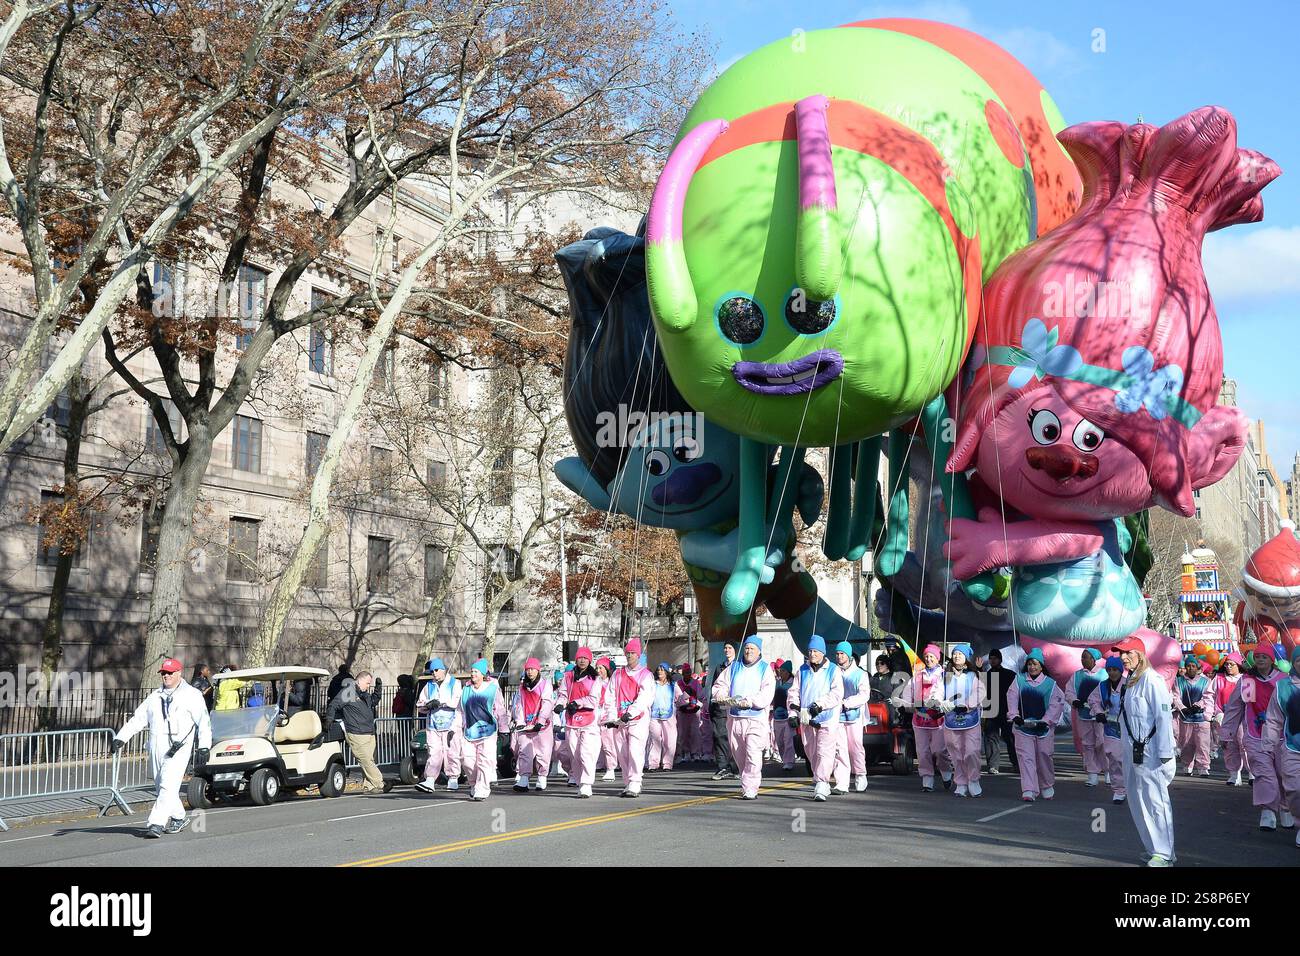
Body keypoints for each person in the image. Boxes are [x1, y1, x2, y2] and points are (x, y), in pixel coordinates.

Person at [112, 658, 211, 838]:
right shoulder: (155, 697)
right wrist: (121, 737)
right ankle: (179, 817)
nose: (166, 676)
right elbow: (138, 718)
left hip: (179, 746)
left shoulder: (191, 695)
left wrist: (204, 746)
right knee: (163, 787)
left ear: (179, 673)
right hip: (157, 745)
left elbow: (203, 722)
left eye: (170, 673)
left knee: (167, 785)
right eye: (164, 673)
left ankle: (155, 823)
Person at [1110, 635, 1178, 867]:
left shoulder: (1152, 680)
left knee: (1155, 801)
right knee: (1138, 800)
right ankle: (1154, 849)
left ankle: (1165, 853)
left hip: (1152, 753)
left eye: (1128, 653)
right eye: (1121, 654)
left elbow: (1163, 717)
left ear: (1140, 654)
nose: (1124, 658)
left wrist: (1166, 753)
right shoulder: (1130, 682)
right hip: (1132, 752)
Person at [1222, 646, 1290, 830]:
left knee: (1283, 775)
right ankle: (1267, 811)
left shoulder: (1283, 680)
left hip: (1283, 737)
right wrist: (1227, 734)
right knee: (1263, 773)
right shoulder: (1247, 680)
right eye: (1257, 657)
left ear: (1272, 660)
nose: (1260, 660)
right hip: (1255, 735)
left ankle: (1285, 808)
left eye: (1264, 657)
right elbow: (1235, 708)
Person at [710, 635, 775, 799]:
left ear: (759, 651)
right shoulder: (734, 667)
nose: (748, 651)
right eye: (746, 648)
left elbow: (767, 693)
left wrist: (750, 701)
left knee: (753, 753)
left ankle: (751, 788)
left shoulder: (765, 669)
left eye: (752, 648)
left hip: (755, 718)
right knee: (739, 755)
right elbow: (719, 685)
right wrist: (722, 695)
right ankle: (746, 782)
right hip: (735, 718)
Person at [788, 635, 844, 801]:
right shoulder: (802, 671)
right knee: (811, 752)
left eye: (815, 651)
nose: (812, 654)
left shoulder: (833, 670)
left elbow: (836, 693)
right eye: (810, 651)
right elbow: (793, 693)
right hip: (807, 720)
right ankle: (823, 777)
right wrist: (793, 714)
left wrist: (820, 705)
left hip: (826, 719)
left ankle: (821, 783)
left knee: (823, 751)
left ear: (822, 653)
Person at [1006, 648, 1065, 802]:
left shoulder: (1051, 684)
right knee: (1026, 758)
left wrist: (1046, 720)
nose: (1032, 667)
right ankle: (1029, 789)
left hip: (1043, 728)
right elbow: (1011, 698)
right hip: (1023, 728)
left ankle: (1046, 785)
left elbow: (1056, 704)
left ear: (1041, 666)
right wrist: (1014, 716)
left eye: (1035, 664)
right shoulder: (1019, 680)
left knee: (1044, 756)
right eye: (1030, 664)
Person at [895, 644, 953, 792]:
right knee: (922, 751)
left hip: (938, 719)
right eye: (926, 656)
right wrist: (909, 704)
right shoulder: (917, 675)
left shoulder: (944, 675)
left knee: (939, 750)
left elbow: (947, 694)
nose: (928, 659)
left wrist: (939, 703)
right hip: (919, 719)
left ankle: (946, 772)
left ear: (937, 658)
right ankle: (927, 779)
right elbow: (908, 692)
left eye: (931, 656)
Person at [326, 670, 389, 794]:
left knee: (369, 760)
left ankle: (369, 786)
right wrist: (329, 719)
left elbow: (373, 702)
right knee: (365, 759)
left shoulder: (363, 694)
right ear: (359, 680)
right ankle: (380, 783)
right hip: (356, 732)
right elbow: (334, 705)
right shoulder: (348, 692)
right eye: (367, 683)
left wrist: (378, 689)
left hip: (369, 732)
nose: (368, 686)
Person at [1263, 646, 1300, 849]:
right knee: (1294, 789)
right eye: (1298, 660)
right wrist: (1268, 744)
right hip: (1292, 748)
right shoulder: (1283, 686)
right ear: (1293, 663)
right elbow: (1274, 719)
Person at [608, 639, 655, 797]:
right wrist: (612, 717)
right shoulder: (617, 674)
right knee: (623, 753)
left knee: (635, 750)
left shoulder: (645, 675)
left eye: (633, 653)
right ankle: (627, 783)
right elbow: (610, 696)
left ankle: (636, 782)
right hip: (620, 720)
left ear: (638, 655)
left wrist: (631, 712)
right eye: (627, 653)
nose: (629, 655)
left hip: (638, 719)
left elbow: (645, 697)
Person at [556, 648, 604, 797]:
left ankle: (586, 784)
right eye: (580, 658)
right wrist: (560, 703)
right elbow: (563, 694)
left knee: (586, 753)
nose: (582, 660)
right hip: (572, 721)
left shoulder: (595, 678)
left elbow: (593, 699)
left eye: (585, 658)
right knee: (574, 754)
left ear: (590, 660)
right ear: (576, 660)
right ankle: (578, 781)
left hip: (589, 721)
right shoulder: (568, 676)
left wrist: (577, 703)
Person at [459, 659, 509, 801]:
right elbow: (460, 712)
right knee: (467, 761)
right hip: (469, 732)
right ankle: (474, 784)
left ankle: (483, 788)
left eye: (476, 672)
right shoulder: (466, 690)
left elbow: (500, 710)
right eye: (472, 671)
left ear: (482, 674)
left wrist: (504, 729)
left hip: (488, 731)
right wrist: (454, 729)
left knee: (484, 761)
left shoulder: (493, 689)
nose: (473, 674)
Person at [941, 643, 987, 798]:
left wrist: (966, 705)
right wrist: (939, 702)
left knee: (971, 751)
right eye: (954, 654)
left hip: (970, 717)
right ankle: (961, 783)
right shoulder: (945, 676)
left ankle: (973, 780)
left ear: (966, 658)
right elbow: (937, 692)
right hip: (951, 719)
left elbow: (980, 691)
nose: (956, 656)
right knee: (955, 752)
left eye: (960, 654)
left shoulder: (973, 676)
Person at [1087, 656, 1129, 804]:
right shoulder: (1102, 686)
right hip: (1111, 727)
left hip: (1129, 729)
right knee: (1115, 760)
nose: (1112, 673)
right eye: (1109, 670)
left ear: (1120, 670)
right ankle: (1119, 791)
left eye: (1115, 669)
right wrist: (1098, 712)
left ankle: (1133, 788)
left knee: (1130, 761)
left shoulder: (1129, 684)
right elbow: (1093, 700)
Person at [415, 658, 461, 793]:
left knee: (450, 752)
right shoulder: (428, 686)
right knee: (434, 752)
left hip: (451, 724)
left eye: (436, 670)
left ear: (443, 669)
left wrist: (440, 702)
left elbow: (456, 702)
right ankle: (430, 779)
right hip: (433, 725)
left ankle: (453, 777)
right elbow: (420, 705)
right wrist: (427, 705)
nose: (434, 673)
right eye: (432, 671)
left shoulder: (455, 683)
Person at [831, 642, 870, 794]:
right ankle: (842, 782)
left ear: (849, 655)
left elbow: (864, 694)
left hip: (855, 715)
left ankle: (860, 775)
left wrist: (847, 703)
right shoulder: (833, 672)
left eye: (842, 654)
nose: (840, 657)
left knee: (855, 747)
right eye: (838, 654)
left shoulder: (860, 673)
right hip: (837, 716)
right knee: (839, 748)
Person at [1065, 648, 1108, 787]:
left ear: (1094, 659)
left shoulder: (1104, 674)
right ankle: (1092, 774)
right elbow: (1069, 692)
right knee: (1087, 744)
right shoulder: (1077, 675)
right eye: (1082, 657)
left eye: (1086, 657)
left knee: (1102, 743)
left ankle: (1109, 772)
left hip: (1100, 716)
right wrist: (1073, 701)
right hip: (1083, 715)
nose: (1083, 660)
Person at [511, 657, 554, 792]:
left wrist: (540, 721)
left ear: (538, 670)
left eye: (532, 669)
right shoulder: (522, 687)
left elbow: (547, 703)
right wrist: (519, 721)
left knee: (543, 752)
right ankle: (524, 778)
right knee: (525, 751)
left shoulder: (545, 684)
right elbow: (518, 705)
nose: (529, 672)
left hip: (542, 727)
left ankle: (542, 776)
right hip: (526, 725)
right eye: (527, 669)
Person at [1174, 654, 1216, 777]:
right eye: (1188, 666)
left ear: (1198, 667)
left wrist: (1199, 705)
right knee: (1186, 743)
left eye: (1193, 666)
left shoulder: (1206, 681)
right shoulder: (1179, 681)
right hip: (1185, 718)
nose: (1191, 668)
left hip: (1201, 718)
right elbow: (1175, 696)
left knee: (1203, 743)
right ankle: (1187, 766)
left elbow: (1208, 696)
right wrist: (1183, 708)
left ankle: (1203, 767)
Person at [1213, 653, 1248, 786]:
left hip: (1242, 717)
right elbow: (1210, 695)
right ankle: (1234, 775)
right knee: (1228, 745)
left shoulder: (1245, 679)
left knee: (1245, 744)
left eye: (1231, 664)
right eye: (1226, 664)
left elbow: (1250, 699)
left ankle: (1252, 773)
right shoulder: (1219, 678)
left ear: (1238, 665)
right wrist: (1215, 713)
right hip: (1224, 716)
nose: (1228, 666)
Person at [982, 648, 1019, 775]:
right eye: (991, 658)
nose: (993, 660)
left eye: (995, 658)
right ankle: (993, 765)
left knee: (1010, 738)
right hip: (991, 711)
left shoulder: (1010, 674)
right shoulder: (986, 675)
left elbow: (1016, 693)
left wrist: (1016, 710)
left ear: (1000, 659)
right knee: (991, 738)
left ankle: (1016, 763)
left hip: (1007, 710)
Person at [709, 643, 739, 780]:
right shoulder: (719, 667)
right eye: (725, 648)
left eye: (730, 648)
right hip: (720, 708)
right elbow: (715, 686)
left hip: (734, 708)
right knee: (719, 736)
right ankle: (722, 767)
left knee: (733, 738)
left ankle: (736, 767)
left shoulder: (739, 667)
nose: (727, 650)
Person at [647, 663, 683, 771]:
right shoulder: (653, 684)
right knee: (655, 740)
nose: (660, 672)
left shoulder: (673, 685)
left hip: (669, 716)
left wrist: (688, 700)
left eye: (662, 670)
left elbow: (680, 698)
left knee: (670, 741)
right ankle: (653, 764)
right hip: (654, 716)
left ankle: (667, 763)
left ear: (667, 672)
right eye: (658, 670)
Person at [595, 657, 620, 780]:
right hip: (595, 717)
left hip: (608, 717)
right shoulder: (594, 682)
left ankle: (611, 769)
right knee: (594, 744)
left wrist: (613, 717)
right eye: (597, 668)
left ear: (607, 669)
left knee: (608, 744)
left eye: (601, 668)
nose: (599, 670)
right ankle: (596, 766)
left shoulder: (612, 683)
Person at [676, 664, 705, 763]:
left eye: (689, 672)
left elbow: (701, 697)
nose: (687, 674)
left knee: (695, 732)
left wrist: (697, 706)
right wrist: (681, 706)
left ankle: (695, 753)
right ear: (682, 673)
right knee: (683, 733)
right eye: (685, 673)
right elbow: (676, 698)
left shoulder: (696, 683)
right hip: (682, 711)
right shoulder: (678, 683)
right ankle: (685, 752)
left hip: (694, 711)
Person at [772, 660, 796, 771]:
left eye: (783, 670)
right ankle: (784, 759)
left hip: (788, 716)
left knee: (788, 740)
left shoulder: (793, 683)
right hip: (777, 716)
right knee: (779, 741)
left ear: (788, 672)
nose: (780, 672)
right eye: (780, 670)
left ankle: (789, 761)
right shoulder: (777, 682)